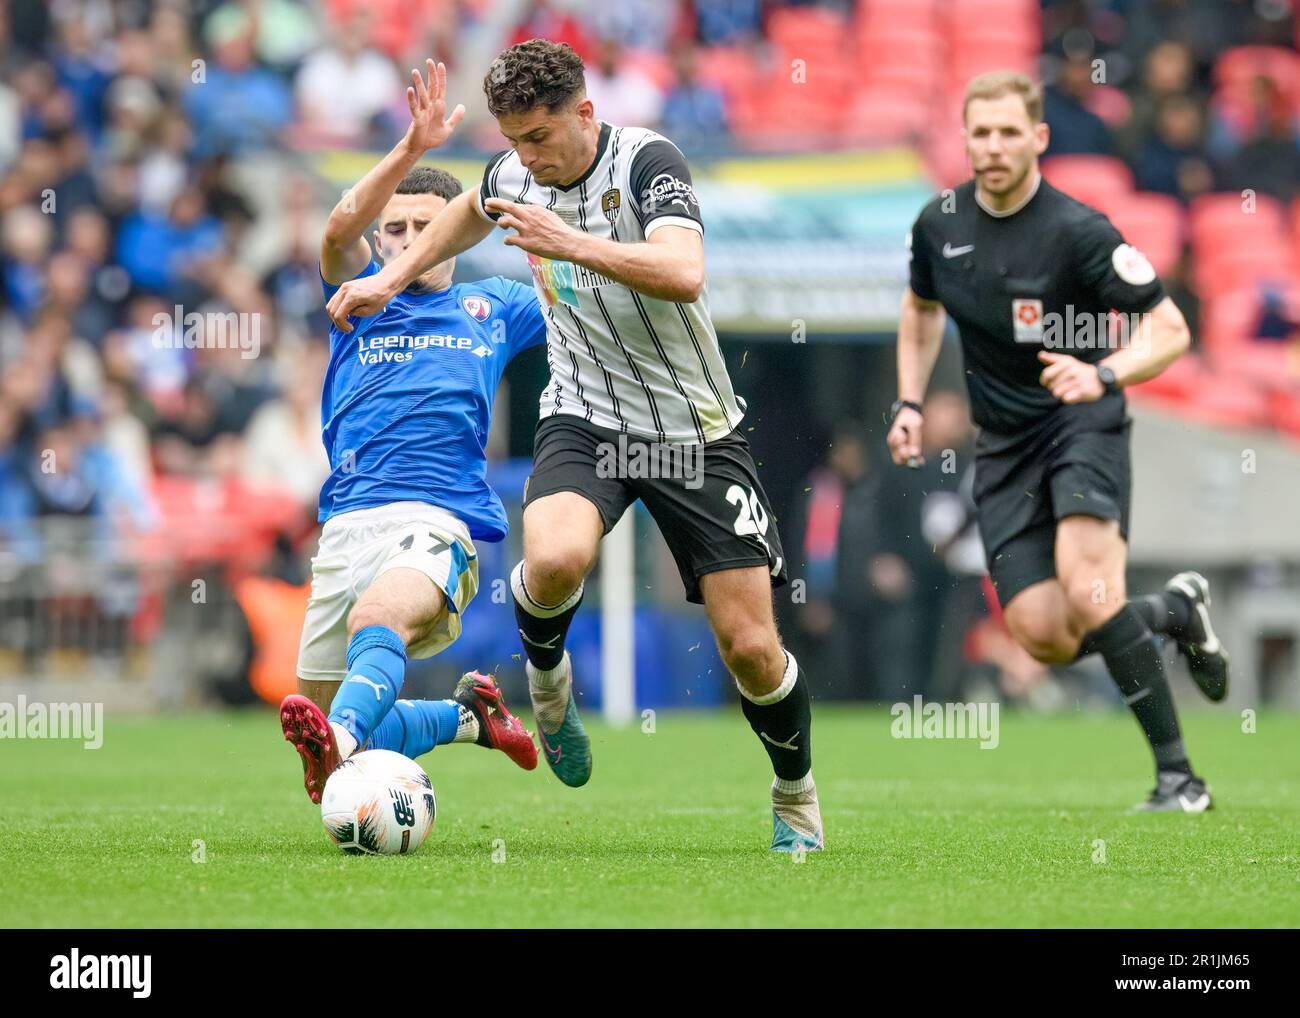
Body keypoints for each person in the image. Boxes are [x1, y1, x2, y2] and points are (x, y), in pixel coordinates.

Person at [325, 41, 822, 852]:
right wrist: (388, 277)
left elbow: (685, 270)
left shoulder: (647, 163)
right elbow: (467, 211)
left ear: (584, 114)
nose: (525, 156)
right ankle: (549, 689)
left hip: (692, 431)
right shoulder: (514, 173)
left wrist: (569, 242)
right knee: (552, 560)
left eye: (540, 137)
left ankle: (794, 795)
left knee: (753, 650)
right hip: (585, 417)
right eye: (513, 139)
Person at [887, 71, 1229, 813]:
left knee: (1090, 588)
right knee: (1044, 634)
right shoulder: (938, 225)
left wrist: (1103, 374)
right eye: (982, 132)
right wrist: (910, 401)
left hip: (1081, 423)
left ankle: (1180, 779)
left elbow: (1169, 329)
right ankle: (1173, 613)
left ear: (1039, 138)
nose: (995, 146)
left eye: (1010, 132)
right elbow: (918, 312)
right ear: (966, 139)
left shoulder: (1079, 232)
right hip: (1003, 446)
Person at [279, 60, 541, 804]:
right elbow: (337, 229)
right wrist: (411, 148)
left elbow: (574, 305)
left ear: (452, 238)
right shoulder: (359, 298)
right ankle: (468, 721)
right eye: (392, 228)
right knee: (333, 717)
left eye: (422, 227)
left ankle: (345, 743)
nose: (402, 241)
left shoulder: (494, 306)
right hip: (347, 522)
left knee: (376, 625)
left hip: (436, 519)